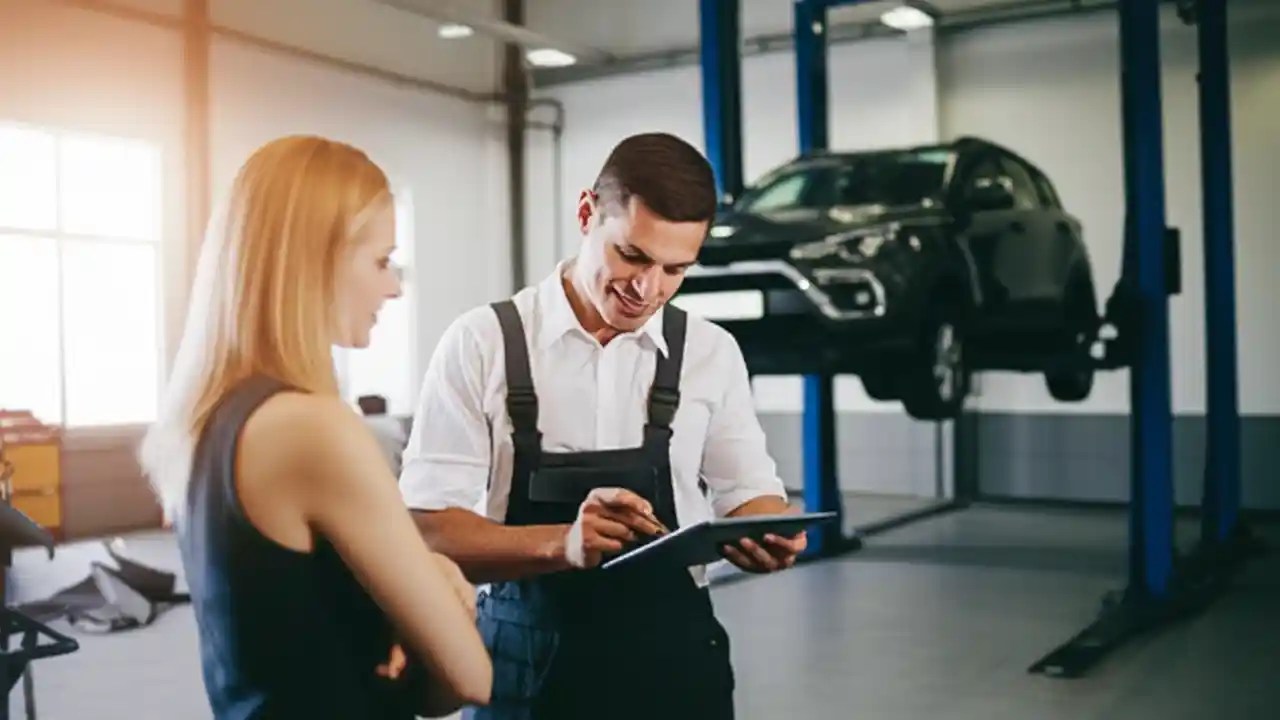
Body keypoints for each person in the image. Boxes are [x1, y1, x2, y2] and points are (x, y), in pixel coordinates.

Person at [399, 132, 806, 719]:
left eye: (676, 269)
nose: (649, 289)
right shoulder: (482, 344)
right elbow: (430, 530)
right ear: (588, 213)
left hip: (675, 664)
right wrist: (563, 544)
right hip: (526, 666)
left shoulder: (709, 352)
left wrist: (770, 531)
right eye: (633, 256)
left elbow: (748, 491)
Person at [139, 135, 492, 719]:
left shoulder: (206, 423)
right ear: (314, 259)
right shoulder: (313, 430)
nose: (395, 286)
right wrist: (448, 586)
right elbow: (467, 679)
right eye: (381, 261)